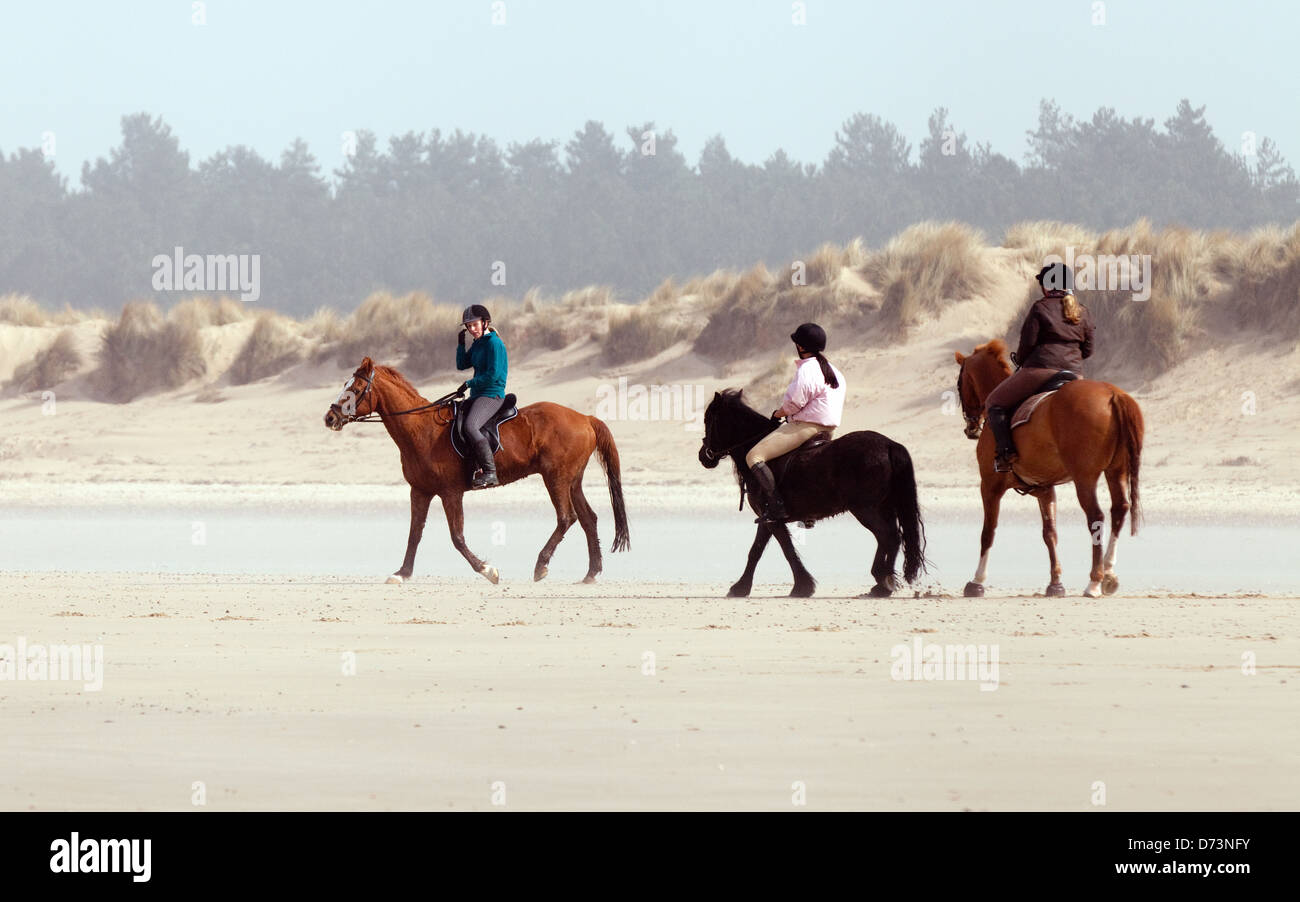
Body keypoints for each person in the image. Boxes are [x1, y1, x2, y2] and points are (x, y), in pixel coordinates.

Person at [985, 262, 1095, 472]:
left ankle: (1005, 454)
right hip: (1074, 374)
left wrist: (1021, 359)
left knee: (993, 402)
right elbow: (1088, 351)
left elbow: (1027, 343)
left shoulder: (1040, 307)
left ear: (1047, 285)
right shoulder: (1083, 312)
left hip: (1041, 370)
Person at [744, 322, 846, 524]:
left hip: (807, 427)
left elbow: (794, 403)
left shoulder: (808, 369)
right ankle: (807, 512)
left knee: (754, 456)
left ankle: (776, 507)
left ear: (800, 346)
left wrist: (777, 413)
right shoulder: (834, 370)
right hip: (829, 429)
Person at [455, 304, 509, 488]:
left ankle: (490, 472)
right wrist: (461, 344)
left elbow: (493, 375)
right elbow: (462, 364)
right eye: (468, 327)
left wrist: (470, 383)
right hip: (477, 395)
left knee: (470, 426)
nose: (472, 329)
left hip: (492, 395)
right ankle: (471, 466)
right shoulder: (478, 343)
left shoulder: (494, 344)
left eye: (475, 325)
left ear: (485, 323)